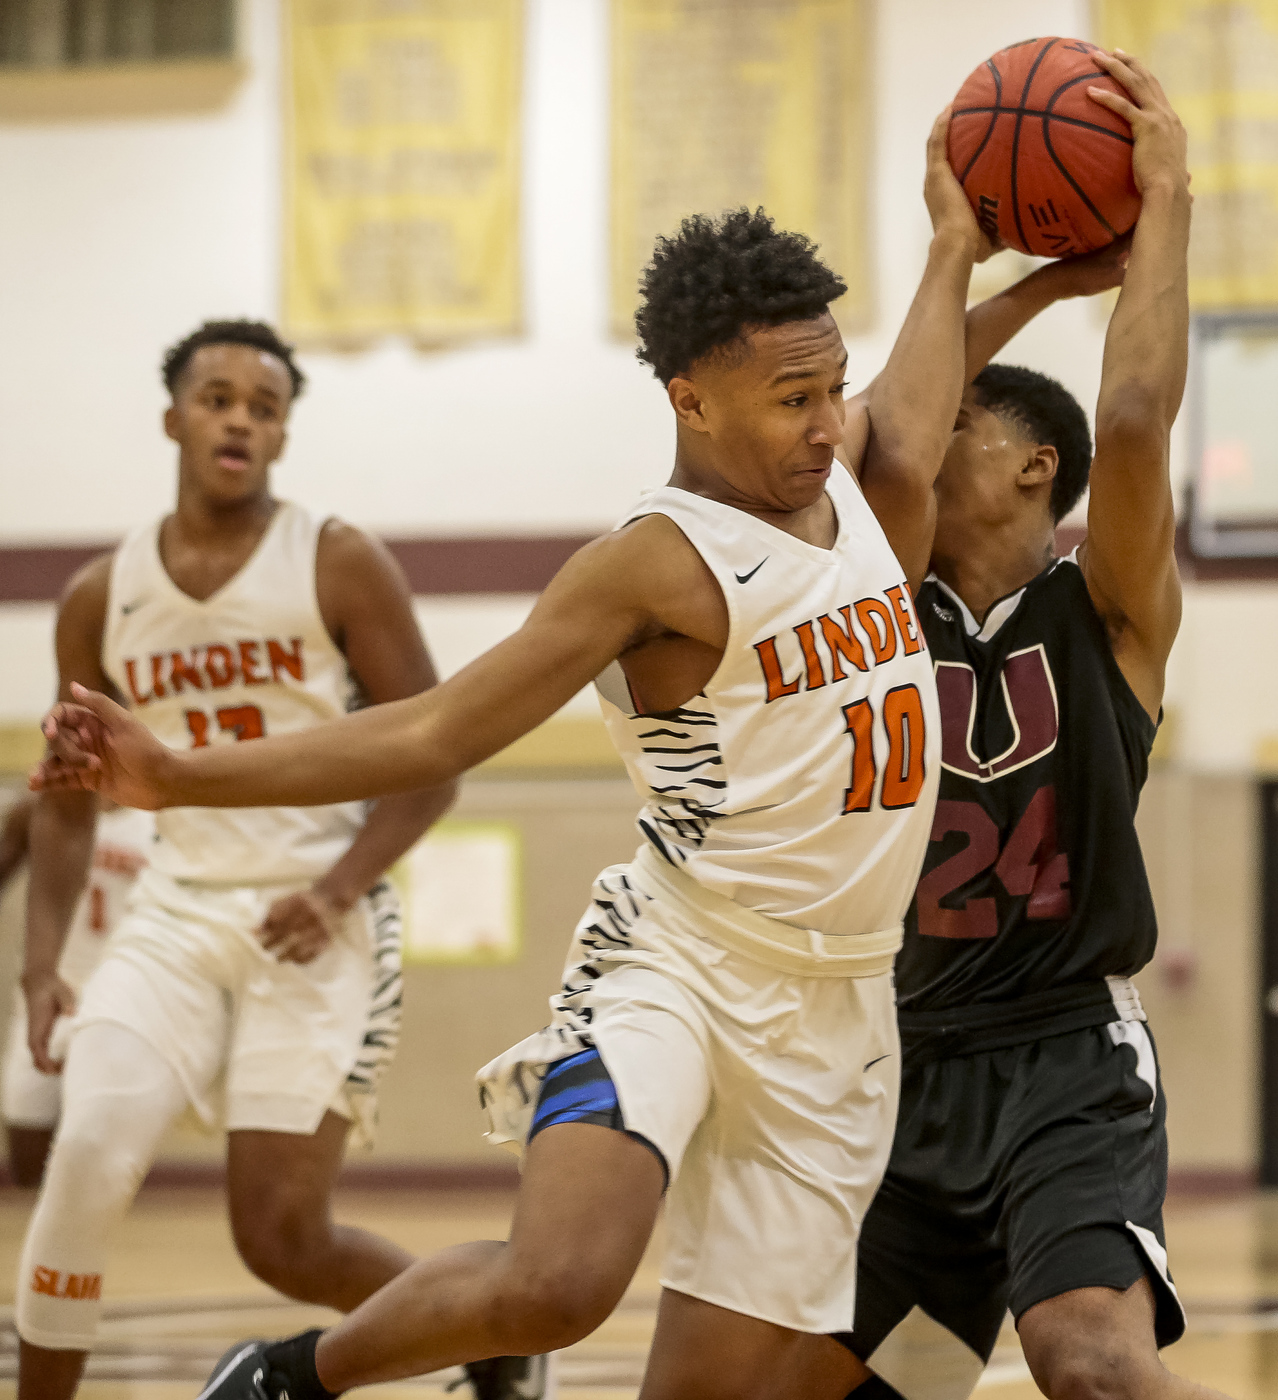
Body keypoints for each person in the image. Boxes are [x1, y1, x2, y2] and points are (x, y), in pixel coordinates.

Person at [33, 119, 991, 1400]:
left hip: (843, 1013)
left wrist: (963, 248)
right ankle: (284, 1378)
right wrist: (178, 777)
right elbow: (434, 729)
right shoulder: (654, 560)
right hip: (684, 963)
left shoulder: (857, 480)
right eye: (793, 400)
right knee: (560, 1279)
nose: (831, 425)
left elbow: (921, 399)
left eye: (833, 388)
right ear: (690, 399)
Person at [11, 317, 543, 1400]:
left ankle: (493, 1332)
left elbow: (430, 761)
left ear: (284, 434)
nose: (241, 417)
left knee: (282, 1238)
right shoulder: (96, 596)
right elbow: (65, 798)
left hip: (315, 917)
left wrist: (338, 884)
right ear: (174, 418)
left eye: (264, 405)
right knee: (86, 1155)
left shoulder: (337, 559)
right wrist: (38, 961)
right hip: (173, 913)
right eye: (218, 397)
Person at [838, 51, 1225, 1400]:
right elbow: (870, 440)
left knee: (1089, 1364)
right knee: (854, 1384)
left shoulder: (1105, 611)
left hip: (1064, 1058)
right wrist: (977, 262)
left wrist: (1164, 193)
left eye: (959, 428)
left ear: (1030, 466)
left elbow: (1128, 414)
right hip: (896, 1058)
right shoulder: (872, 606)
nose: (923, 436)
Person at [0, 794, 153, 1187]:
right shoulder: (34, 810)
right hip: (50, 987)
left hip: (123, 987)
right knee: (26, 1139)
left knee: (100, 1135)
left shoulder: (158, 817)